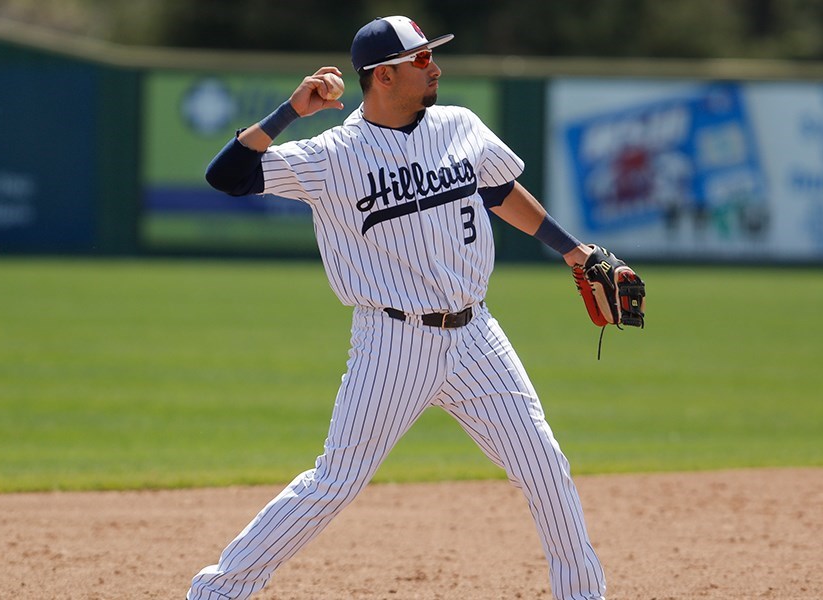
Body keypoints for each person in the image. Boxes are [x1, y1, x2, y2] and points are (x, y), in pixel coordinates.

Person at [189, 15, 607, 600]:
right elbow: (227, 177)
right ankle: (219, 590)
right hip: (393, 342)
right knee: (334, 482)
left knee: (545, 466)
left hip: (477, 335)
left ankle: (583, 594)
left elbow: (496, 190)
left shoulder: (459, 125)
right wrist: (289, 112)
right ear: (382, 75)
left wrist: (573, 251)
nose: (435, 68)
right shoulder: (334, 155)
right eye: (421, 59)